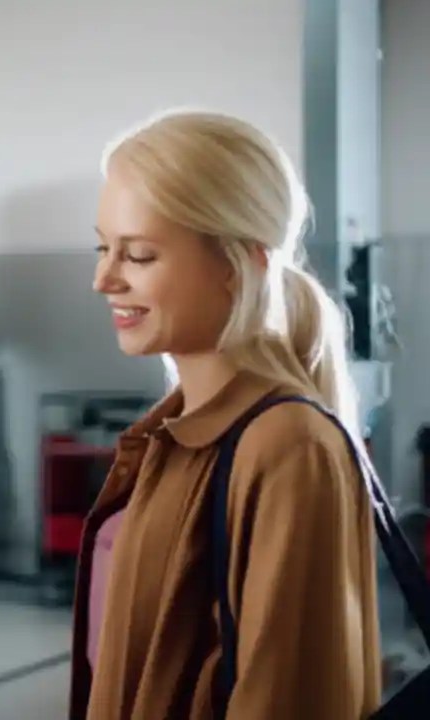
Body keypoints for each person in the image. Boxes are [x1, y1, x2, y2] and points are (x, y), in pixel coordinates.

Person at [69, 109, 382, 719]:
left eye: (137, 255)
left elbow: (289, 697)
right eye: (103, 248)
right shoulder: (173, 434)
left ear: (244, 263)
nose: (103, 279)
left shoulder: (288, 446)